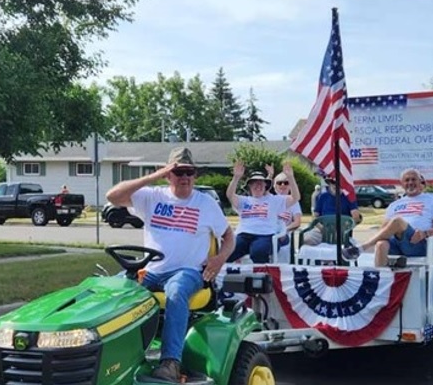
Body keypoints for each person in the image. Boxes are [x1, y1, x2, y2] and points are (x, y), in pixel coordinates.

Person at [105, 147, 235, 382]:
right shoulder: (152, 197)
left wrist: (219, 259)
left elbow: (228, 236)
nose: (185, 177)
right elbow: (112, 196)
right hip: (151, 270)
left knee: (176, 291)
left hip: (188, 272)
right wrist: (154, 176)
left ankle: (171, 362)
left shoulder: (205, 203)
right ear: (168, 175)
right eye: (178, 172)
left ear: (195, 175)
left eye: (189, 172)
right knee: (114, 290)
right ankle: (114, 357)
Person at [343, 168, 433, 267]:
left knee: (397, 221)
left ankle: (361, 248)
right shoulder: (394, 205)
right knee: (381, 244)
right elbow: (383, 229)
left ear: (420, 182)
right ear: (402, 184)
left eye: (413, 179)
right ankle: (382, 276)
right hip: (395, 244)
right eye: (407, 180)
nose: (410, 182)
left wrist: (425, 233)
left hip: (416, 242)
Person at [226, 160, 300, 263]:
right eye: (254, 183)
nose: (258, 186)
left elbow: (295, 197)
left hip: (266, 235)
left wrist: (291, 178)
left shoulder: (274, 200)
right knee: (227, 252)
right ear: (249, 186)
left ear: (266, 186)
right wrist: (236, 178)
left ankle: (262, 273)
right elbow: (230, 195)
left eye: (261, 183)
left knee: (258, 252)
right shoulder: (243, 200)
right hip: (244, 235)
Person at [303, 176, 362, 246]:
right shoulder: (323, 197)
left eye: (339, 183)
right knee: (306, 240)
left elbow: (356, 219)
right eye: (333, 182)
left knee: (337, 243)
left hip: (341, 231)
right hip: (322, 229)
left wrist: (344, 228)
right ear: (329, 184)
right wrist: (322, 228)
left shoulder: (349, 197)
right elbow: (315, 217)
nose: (336, 185)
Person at [273, 171, 302, 261]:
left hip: (284, 234)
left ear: (290, 186)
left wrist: (284, 230)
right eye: (279, 183)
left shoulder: (294, 202)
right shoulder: (270, 199)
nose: (282, 185)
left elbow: (297, 222)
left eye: (286, 183)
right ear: (274, 186)